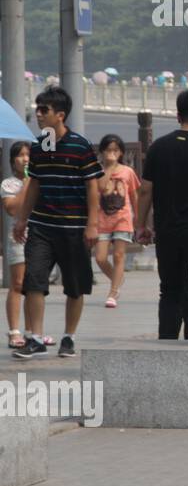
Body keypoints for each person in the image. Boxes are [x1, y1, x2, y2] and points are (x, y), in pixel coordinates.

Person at [10, 86, 103, 359]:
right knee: (34, 281)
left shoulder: (80, 146)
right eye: (37, 109)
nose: (38, 114)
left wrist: (93, 224)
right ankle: (36, 338)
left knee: (75, 286)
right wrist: (22, 220)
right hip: (41, 227)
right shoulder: (37, 146)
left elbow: (92, 188)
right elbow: (35, 185)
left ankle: (68, 337)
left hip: (74, 228)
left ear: (60, 115)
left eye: (44, 110)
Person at [135, 88, 188, 339]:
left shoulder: (158, 148)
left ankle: (166, 343)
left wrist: (141, 225)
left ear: (178, 116)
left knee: (169, 290)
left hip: (167, 235)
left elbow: (145, 190)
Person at [93, 134, 141, 308]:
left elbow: (134, 195)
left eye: (115, 150)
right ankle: (117, 278)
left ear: (120, 152)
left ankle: (113, 293)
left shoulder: (128, 172)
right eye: (108, 150)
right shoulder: (98, 171)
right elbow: (99, 187)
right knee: (100, 257)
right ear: (102, 152)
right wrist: (110, 168)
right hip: (102, 220)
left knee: (119, 255)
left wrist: (138, 218)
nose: (111, 153)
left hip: (123, 217)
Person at [2, 141, 31, 349]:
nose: (25, 159)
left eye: (28, 155)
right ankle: (14, 331)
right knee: (18, 283)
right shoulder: (8, 184)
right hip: (18, 238)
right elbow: (12, 208)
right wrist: (28, 183)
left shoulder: (39, 182)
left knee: (35, 286)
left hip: (39, 237)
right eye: (20, 155)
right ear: (13, 161)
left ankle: (33, 331)